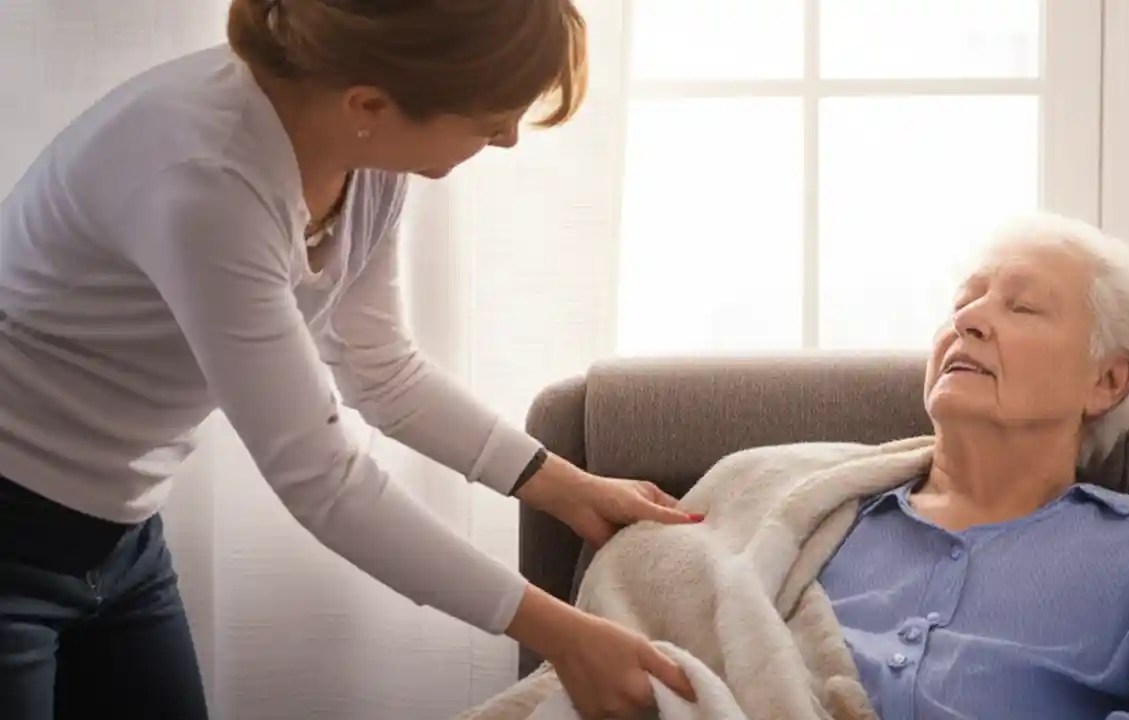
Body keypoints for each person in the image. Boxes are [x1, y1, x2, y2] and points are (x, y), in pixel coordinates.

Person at [0, 1, 699, 718]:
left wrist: (565, 486)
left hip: (120, 537)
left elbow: (379, 367)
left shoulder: (363, 150)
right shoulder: (205, 178)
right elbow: (323, 482)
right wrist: (567, 636)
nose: (510, 140)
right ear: (371, 102)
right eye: (492, 124)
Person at [817, 215, 1129, 718]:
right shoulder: (818, 516)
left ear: (1106, 381)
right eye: (962, 302)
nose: (967, 320)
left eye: (1023, 306)